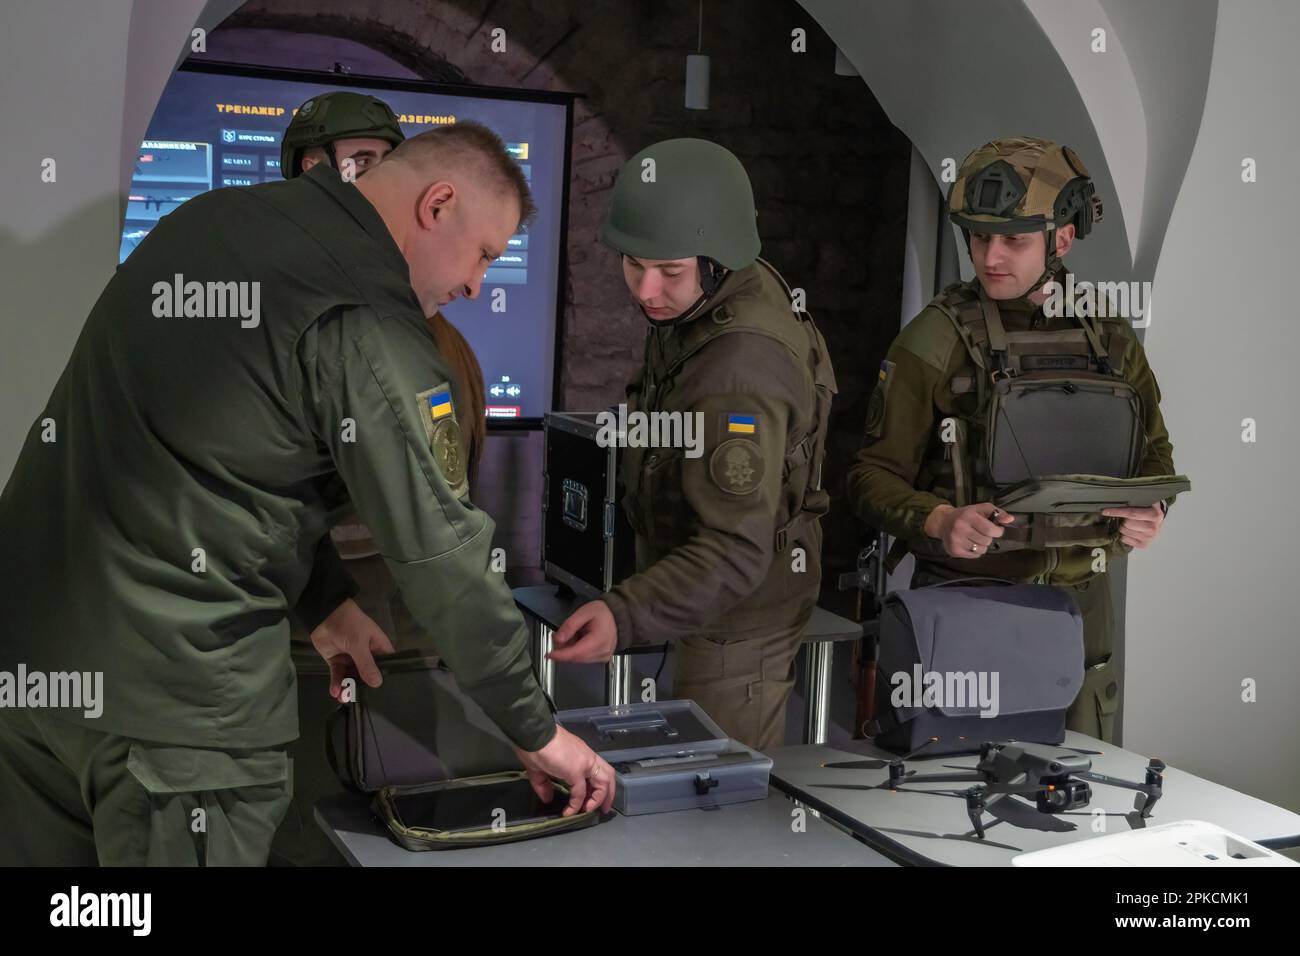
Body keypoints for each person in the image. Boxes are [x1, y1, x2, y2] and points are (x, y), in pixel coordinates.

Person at [0, 119, 613, 866]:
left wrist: (324, 602)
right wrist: (536, 730)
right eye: (484, 254)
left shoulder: (212, 221)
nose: (477, 287)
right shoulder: (364, 315)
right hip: (178, 718)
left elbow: (213, 462)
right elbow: (444, 553)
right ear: (438, 203)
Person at [845, 136, 1177, 743]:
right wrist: (940, 518)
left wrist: (1150, 510)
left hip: (1083, 609)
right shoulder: (934, 340)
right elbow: (868, 478)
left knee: (1078, 799)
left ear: (1062, 239)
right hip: (970, 605)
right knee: (955, 801)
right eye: (978, 237)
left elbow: (1155, 457)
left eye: (1014, 239)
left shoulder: (1109, 336)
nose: (990, 256)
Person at [548, 139, 837, 753]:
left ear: (717, 259)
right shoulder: (709, 297)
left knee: (712, 809)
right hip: (700, 598)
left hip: (735, 621)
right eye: (632, 263)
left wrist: (624, 614)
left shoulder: (742, 366)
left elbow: (734, 549)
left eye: (670, 272)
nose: (647, 290)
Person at [270, 93, 498, 866]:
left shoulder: (420, 344)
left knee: (362, 831)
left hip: (368, 636)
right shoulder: (290, 322)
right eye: (339, 167)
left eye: (373, 167)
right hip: (322, 636)